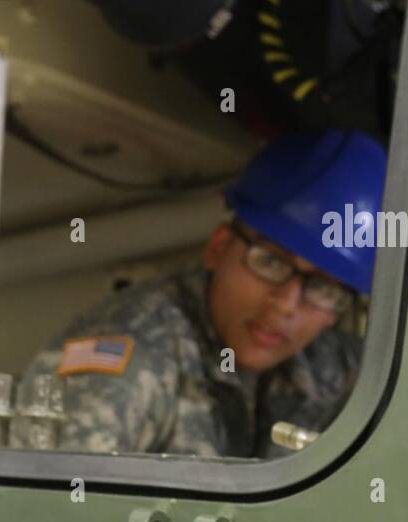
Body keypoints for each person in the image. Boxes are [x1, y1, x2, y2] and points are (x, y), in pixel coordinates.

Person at [23, 130, 385, 458]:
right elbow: (46, 519)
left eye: (322, 287)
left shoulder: (335, 366)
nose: (286, 305)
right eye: (271, 262)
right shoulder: (134, 363)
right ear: (219, 248)